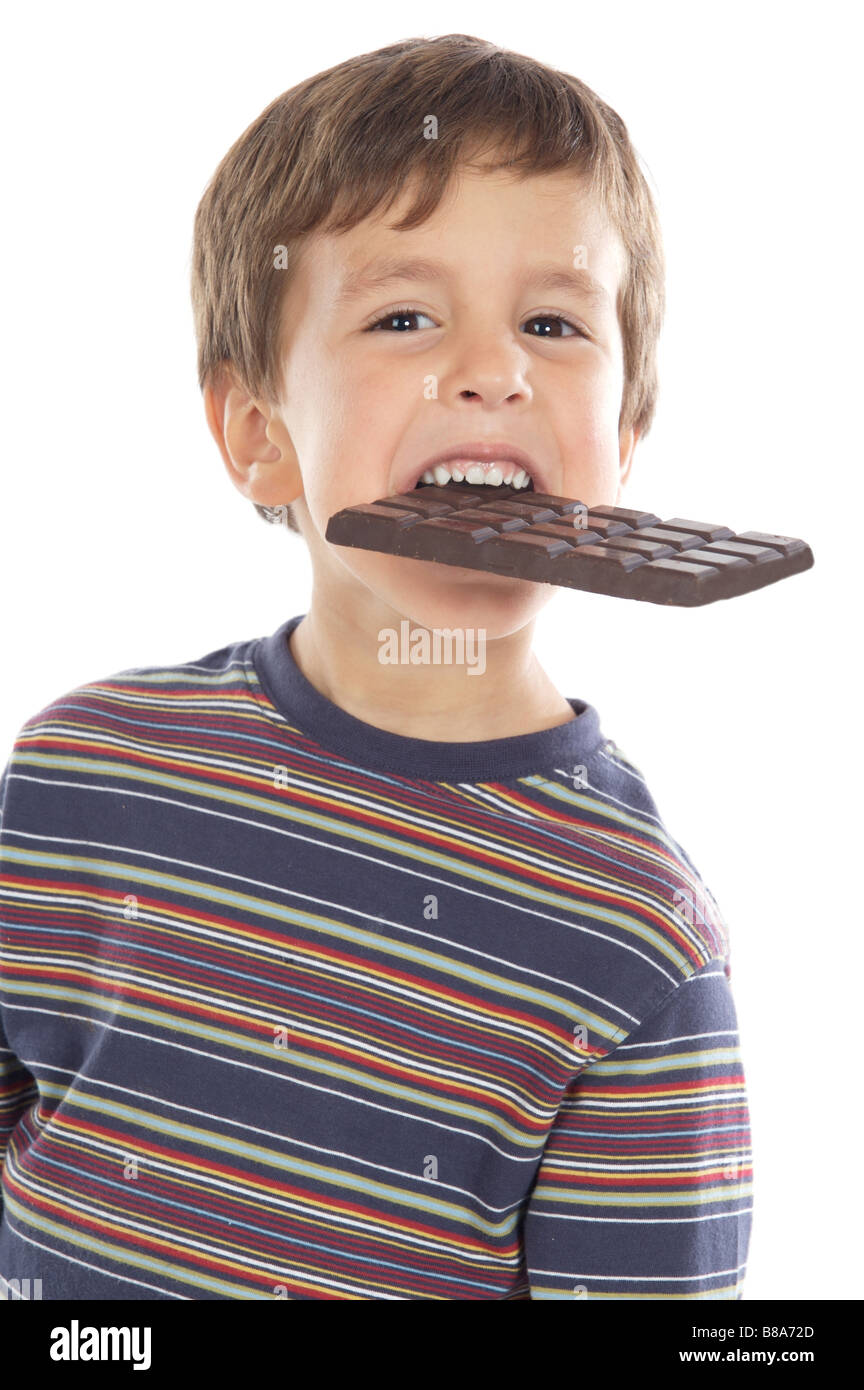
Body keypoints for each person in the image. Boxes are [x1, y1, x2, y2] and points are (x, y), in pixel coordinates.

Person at [0, 33, 752, 1300]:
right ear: (258, 436)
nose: (493, 371)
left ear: (623, 439)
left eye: (554, 323)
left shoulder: (635, 931)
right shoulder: (83, 774)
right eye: (405, 315)